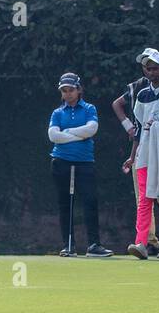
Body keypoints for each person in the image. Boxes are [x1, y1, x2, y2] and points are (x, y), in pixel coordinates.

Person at [113, 46, 159, 256]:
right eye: (148, 68)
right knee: (144, 200)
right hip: (145, 152)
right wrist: (132, 156)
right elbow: (139, 130)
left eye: (155, 68)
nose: (151, 72)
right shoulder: (142, 95)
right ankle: (141, 243)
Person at [47, 72, 112, 257]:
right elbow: (53, 136)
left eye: (71, 90)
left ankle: (94, 245)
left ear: (78, 90)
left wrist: (66, 132)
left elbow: (92, 129)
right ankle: (68, 246)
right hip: (61, 161)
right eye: (64, 91)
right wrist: (78, 135)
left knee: (90, 201)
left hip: (84, 162)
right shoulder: (57, 113)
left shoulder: (89, 108)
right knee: (65, 204)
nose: (67, 94)